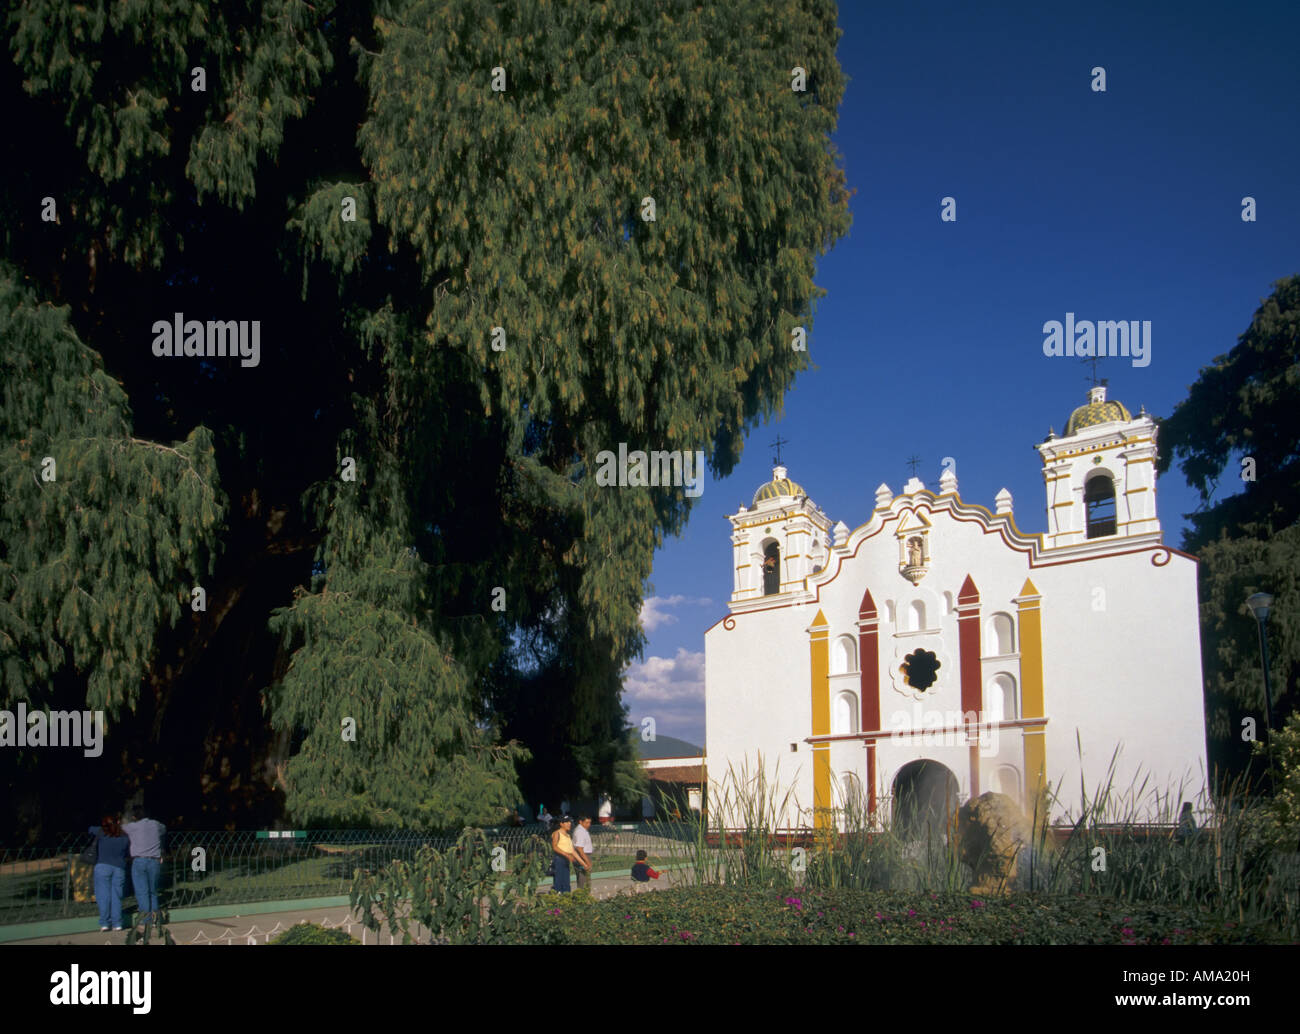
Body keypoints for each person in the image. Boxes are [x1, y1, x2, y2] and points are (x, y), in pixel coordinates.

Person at [122, 805, 166, 925]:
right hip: (154, 860)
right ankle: (156, 917)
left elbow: (121, 828)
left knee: (142, 891)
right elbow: (164, 829)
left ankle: (146, 919)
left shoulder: (132, 827)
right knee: (152, 891)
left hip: (139, 860)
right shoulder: (156, 825)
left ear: (134, 816)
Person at [87, 815, 130, 931]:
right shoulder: (125, 836)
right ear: (118, 822)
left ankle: (105, 923)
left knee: (103, 896)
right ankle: (117, 923)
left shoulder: (101, 832)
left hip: (102, 866)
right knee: (117, 896)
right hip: (119, 868)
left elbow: (90, 829)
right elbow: (127, 853)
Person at [550, 816, 588, 893]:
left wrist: (583, 863)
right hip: (559, 860)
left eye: (569, 822)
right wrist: (567, 855)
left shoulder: (568, 835)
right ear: (561, 824)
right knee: (559, 882)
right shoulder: (557, 833)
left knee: (566, 882)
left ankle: (566, 899)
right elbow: (555, 847)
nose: (569, 824)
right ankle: (558, 900)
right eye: (567, 822)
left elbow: (572, 851)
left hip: (566, 860)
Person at [573, 816, 595, 890]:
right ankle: (582, 896)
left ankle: (585, 895)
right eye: (586, 822)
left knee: (586, 879)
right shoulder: (580, 832)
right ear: (580, 822)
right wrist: (587, 862)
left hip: (585, 855)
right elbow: (579, 849)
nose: (588, 824)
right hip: (583, 856)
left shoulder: (583, 830)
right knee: (583, 879)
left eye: (589, 822)